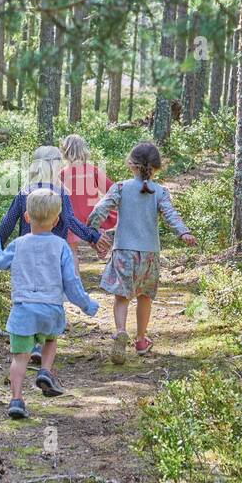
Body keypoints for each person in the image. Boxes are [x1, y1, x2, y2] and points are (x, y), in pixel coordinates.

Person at [0, 189, 99, 419]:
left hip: (23, 310)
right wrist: (87, 305)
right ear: (57, 220)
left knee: (20, 358)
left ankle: (16, 399)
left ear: (26, 217)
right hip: (51, 310)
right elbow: (71, 283)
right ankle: (45, 371)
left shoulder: (19, 244)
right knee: (50, 339)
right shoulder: (61, 247)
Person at [0, 147, 108, 365]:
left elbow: (8, 222)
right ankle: (43, 342)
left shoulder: (25, 192)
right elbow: (70, 221)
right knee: (50, 296)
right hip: (52, 256)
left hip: (26, 256)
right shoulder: (59, 192)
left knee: (27, 295)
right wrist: (92, 236)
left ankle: (30, 344)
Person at [88, 141, 196, 363]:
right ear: (156, 167)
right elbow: (170, 215)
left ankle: (120, 331)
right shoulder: (160, 192)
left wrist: (94, 232)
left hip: (123, 252)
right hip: (149, 254)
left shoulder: (120, 187)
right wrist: (183, 232)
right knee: (145, 296)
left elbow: (100, 209)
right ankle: (140, 339)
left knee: (122, 295)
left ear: (131, 164)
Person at [57, 134, 116, 275]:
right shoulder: (93, 171)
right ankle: (100, 244)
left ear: (65, 151)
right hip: (91, 216)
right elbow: (112, 190)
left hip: (71, 218)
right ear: (84, 151)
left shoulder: (62, 174)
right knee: (93, 231)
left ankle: (75, 284)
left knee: (72, 250)